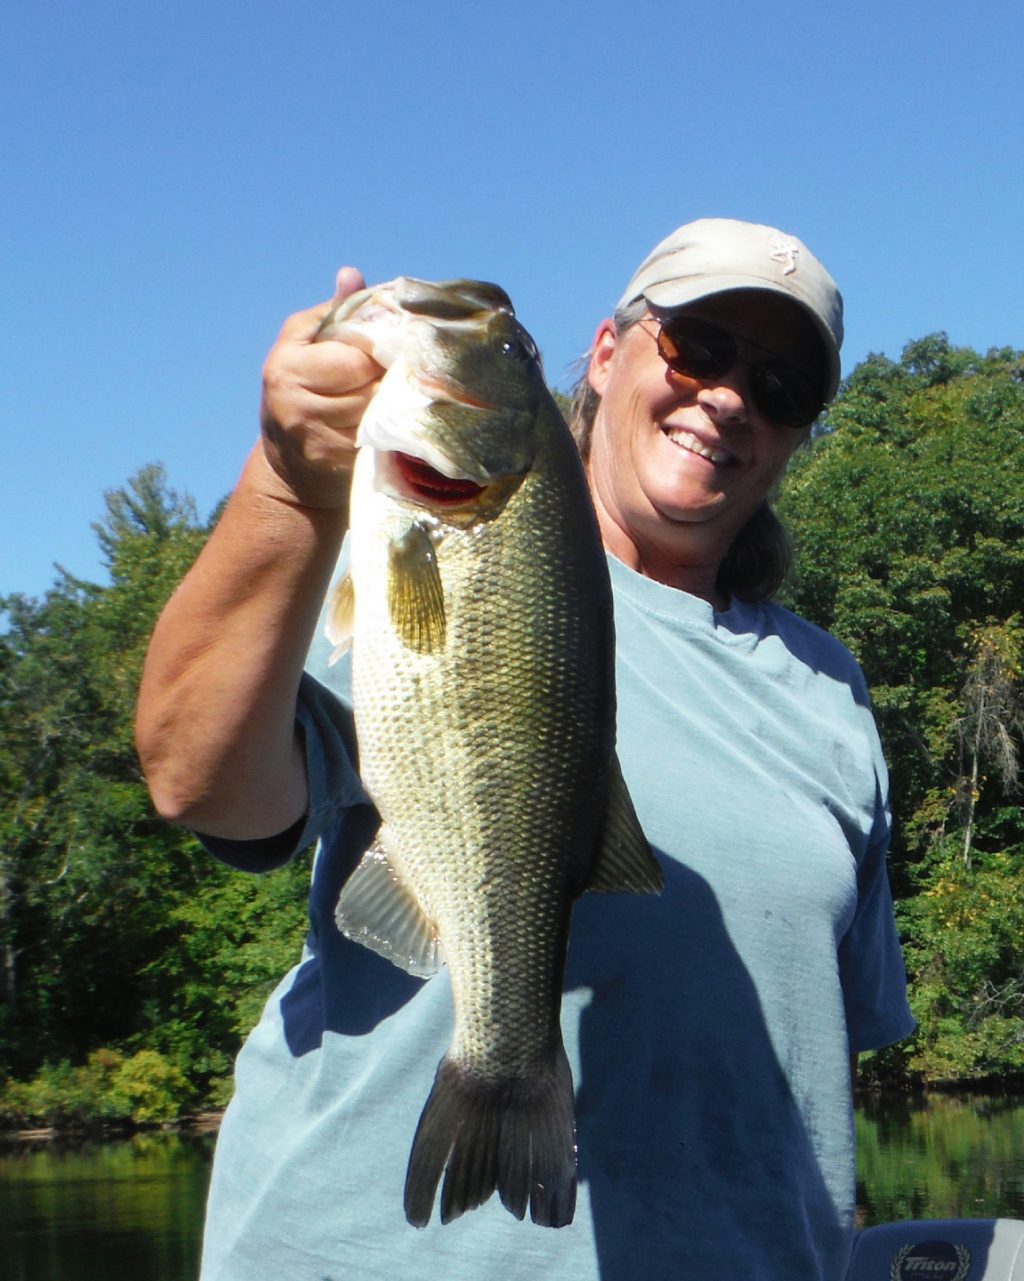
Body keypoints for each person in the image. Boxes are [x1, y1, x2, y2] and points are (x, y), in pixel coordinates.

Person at [135, 217, 914, 1280]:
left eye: (779, 388)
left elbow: (825, 1048)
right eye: (698, 347)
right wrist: (286, 484)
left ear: (795, 434)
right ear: (606, 352)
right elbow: (196, 780)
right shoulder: (390, 545)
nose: (730, 395)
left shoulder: (830, 690)